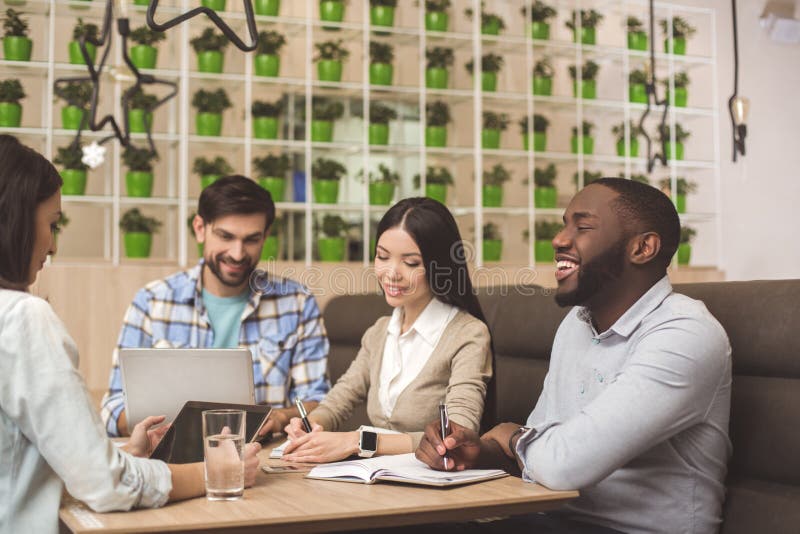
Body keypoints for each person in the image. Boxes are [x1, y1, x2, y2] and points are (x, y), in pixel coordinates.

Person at [416, 178, 732, 534]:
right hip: (552, 519)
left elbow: (561, 463)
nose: (559, 240)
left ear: (643, 247)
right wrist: (481, 450)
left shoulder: (685, 334)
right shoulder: (577, 323)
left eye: (582, 227)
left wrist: (513, 437)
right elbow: (538, 450)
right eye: (564, 225)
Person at [0, 135, 261, 534]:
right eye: (52, 224)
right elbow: (105, 484)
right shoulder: (23, 318)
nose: (52, 246)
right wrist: (218, 471)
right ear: (15, 220)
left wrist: (122, 460)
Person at [100, 175, 330, 437]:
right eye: (225, 236)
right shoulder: (152, 302)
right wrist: (154, 427)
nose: (237, 253)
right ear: (200, 228)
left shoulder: (297, 303)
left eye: (252, 239)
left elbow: (320, 401)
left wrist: (279, 417)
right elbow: (113, 408)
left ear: (266, 236)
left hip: (262, 454)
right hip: (171, 452)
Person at [279, 197, 493, 463]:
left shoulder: (468, 334)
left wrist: (357, 441)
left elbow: (458, 436)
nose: (391, 273)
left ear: (440, 266)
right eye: (382, 257)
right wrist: (312, 424)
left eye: (411, 263)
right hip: (377, 475)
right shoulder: (380, 331)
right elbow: (340, 399)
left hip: (432, 480)